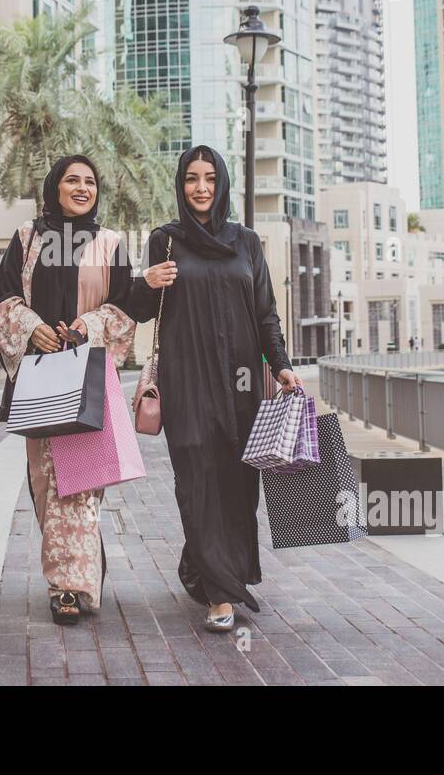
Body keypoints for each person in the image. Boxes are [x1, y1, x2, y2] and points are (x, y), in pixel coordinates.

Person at [119, 145, 302, 633]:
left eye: (209, 179)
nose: (200, 187)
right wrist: (148, 281)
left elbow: (265, 312)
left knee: (238, 485)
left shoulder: (246, 242)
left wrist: (281, 366)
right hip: (186, 381)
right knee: (198, 480)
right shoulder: (166, 241)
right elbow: (137, 308)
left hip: (243, 383)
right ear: (180, 186)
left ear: (221, 185)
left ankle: (201, 565)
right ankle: (222, 595)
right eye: (191, 179)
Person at [0, 156, 136, 624]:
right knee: (46, 483)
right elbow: (3, 301)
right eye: (72, 179)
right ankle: (76, 568)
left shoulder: (111, 243)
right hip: (40, 378)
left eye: (90, 181)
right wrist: (32, 328)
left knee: (83, 482)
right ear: (54, 187)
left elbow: (127, 307)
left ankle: (69, 586)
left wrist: (87, 326)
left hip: (89, 373)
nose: (81, 187)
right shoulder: (27, 239)